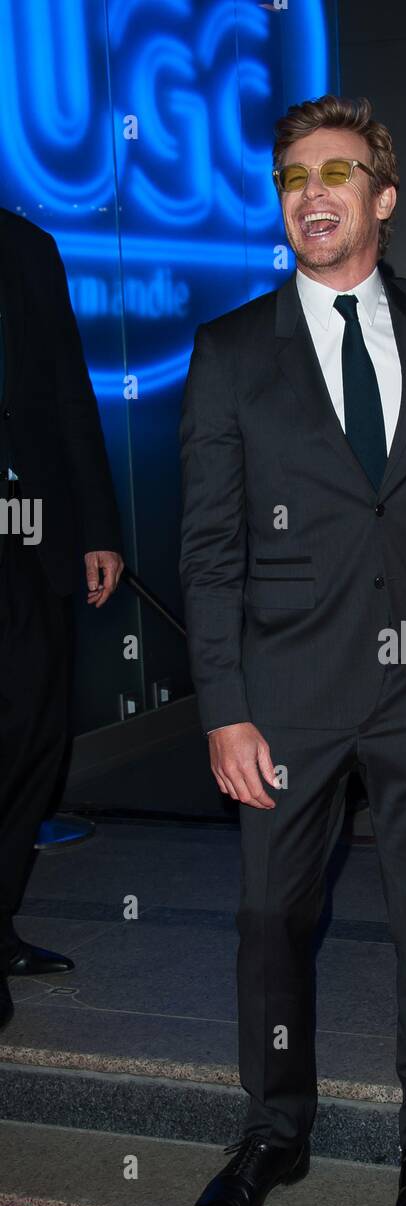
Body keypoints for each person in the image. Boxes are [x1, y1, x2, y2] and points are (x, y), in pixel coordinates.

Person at [180, 95, 406, 1206]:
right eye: (294, 173)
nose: (312, 191)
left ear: (383, 199)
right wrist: (225, 709)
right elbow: (208, 548)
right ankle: (273, 1126)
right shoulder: (230, 350)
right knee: (269, 919)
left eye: (338, 172)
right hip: (286, 697)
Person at [0, 210, 124, 1031]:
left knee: (31, 740)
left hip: (30, 531)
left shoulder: (25, 245)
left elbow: (68, 388)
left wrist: (97, 529)